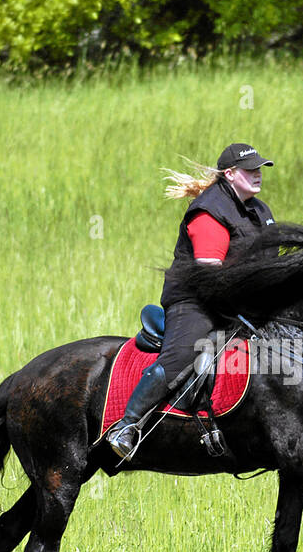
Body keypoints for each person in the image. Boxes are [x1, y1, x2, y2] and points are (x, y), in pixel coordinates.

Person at [106, 143, 276, 460]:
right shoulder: (209, 211)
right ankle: (126, 426)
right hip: (196, 301)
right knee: (182, 355)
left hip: (242, 302)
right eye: (250, 169)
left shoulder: (260, 211)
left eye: (260, 168)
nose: (257, 175)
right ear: (229, 174)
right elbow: (211, 277)